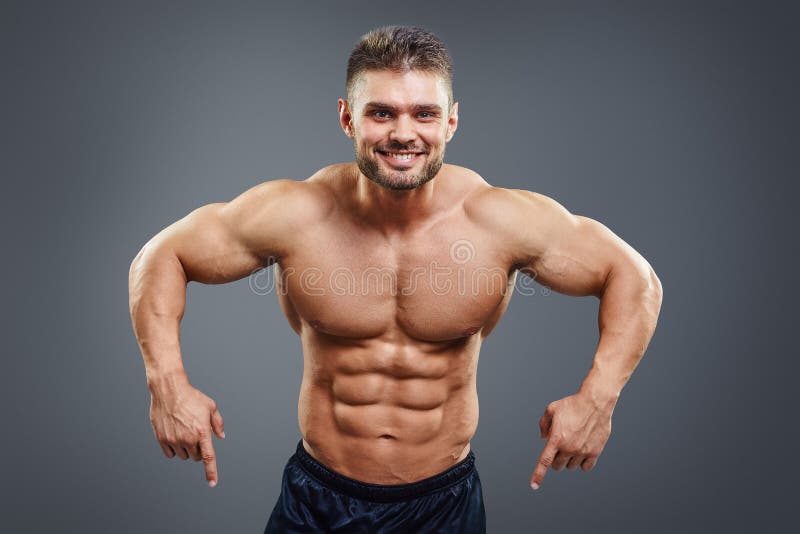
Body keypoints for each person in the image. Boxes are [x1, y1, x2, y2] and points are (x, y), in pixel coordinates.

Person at [128, 25, 663, 533]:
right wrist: (167, 385)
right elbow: (161, 257)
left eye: (424, 114)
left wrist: (597, 399)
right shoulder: (295, 214)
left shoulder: (500, 221)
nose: (404, 133)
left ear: (451, 121)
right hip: (318, 499)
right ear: (347, 119)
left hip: (443, 503)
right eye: (381, 113)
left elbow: (634, 277)